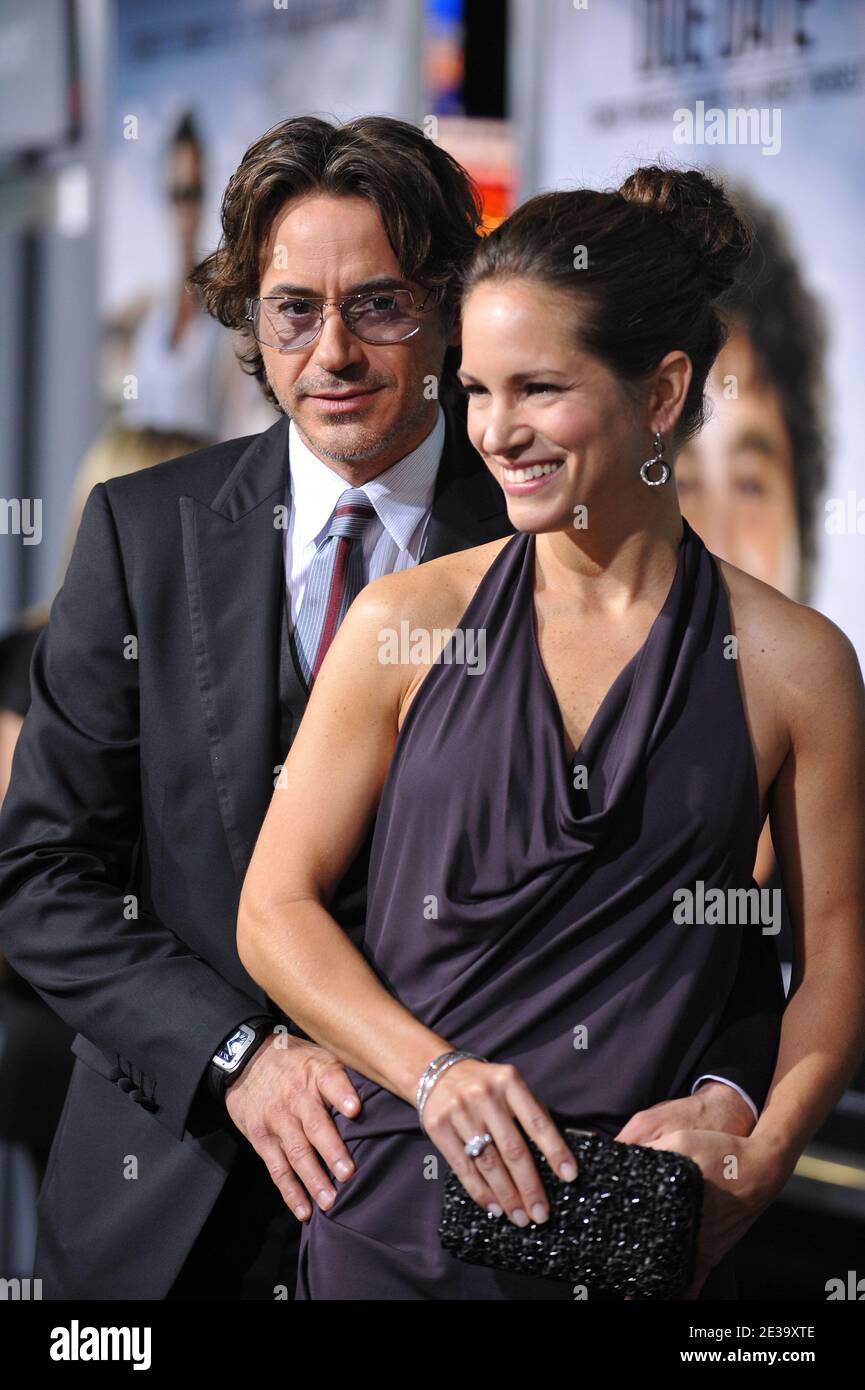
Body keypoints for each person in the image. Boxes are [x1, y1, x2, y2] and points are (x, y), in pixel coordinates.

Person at [0, 119, 777, 1302]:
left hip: (479, 1216)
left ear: (449, 308)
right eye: (290, 310)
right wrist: (239, 1053)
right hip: (169, 1206)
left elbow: (703, 910)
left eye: (379, 305)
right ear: (250, 320)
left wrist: (729, 1104)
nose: (331, 353)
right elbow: (44, 873)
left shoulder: (569, 538)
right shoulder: (143, 534)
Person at [236, 166, 865, 1301]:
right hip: (387, 1216)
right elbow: (273, 912)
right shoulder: (405, 624)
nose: (495, 431)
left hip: (621, 1238)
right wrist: (432, 1075)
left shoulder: (793, 664)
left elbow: (831, 960)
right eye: (476, 389)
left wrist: (760, 1151)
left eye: (537, 389)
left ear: (662, 392)